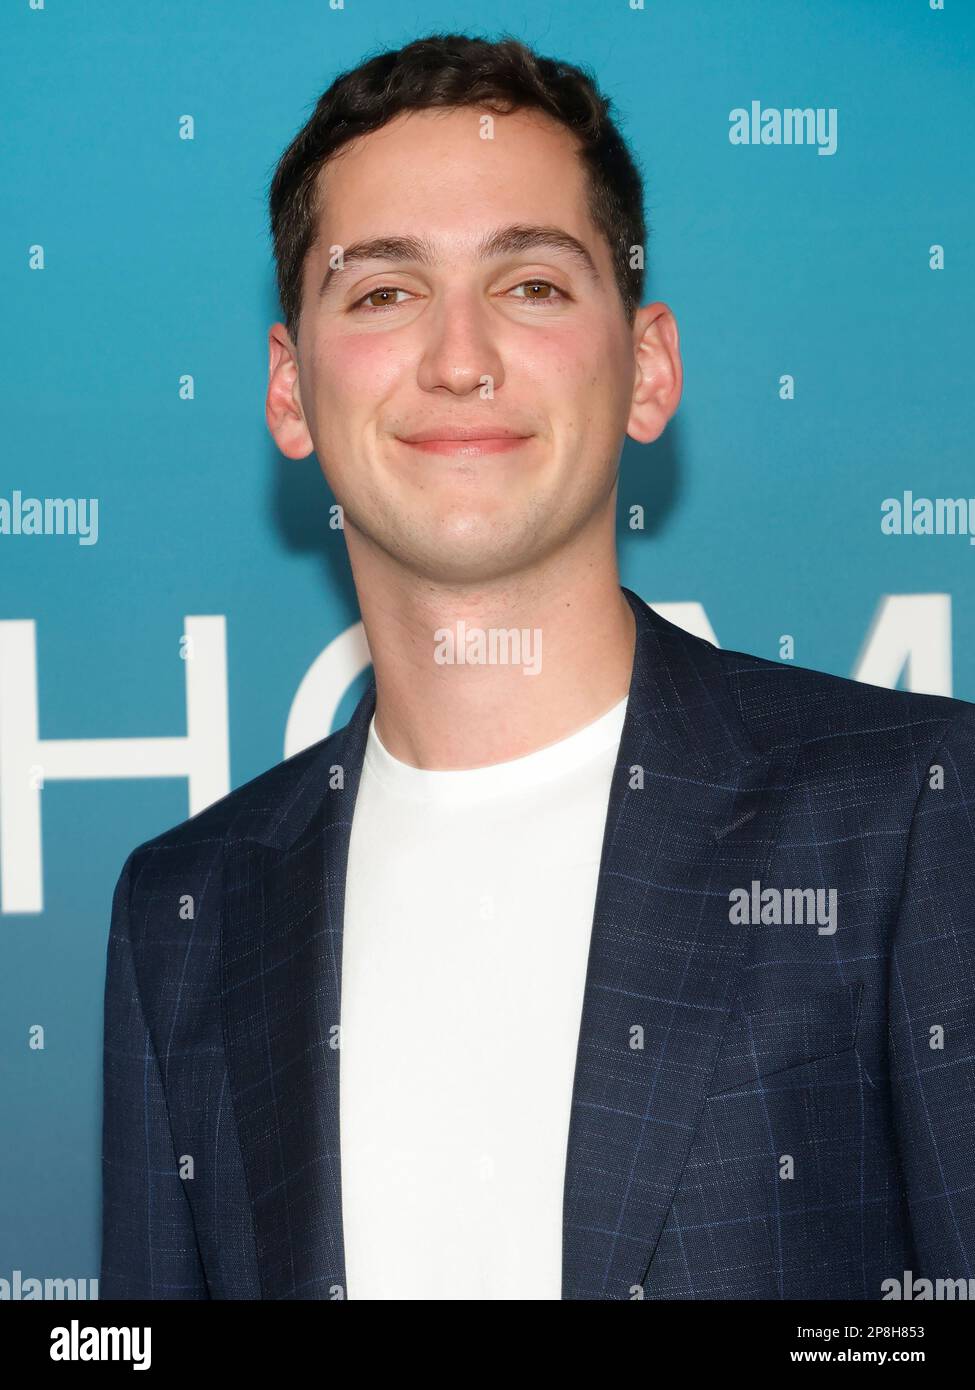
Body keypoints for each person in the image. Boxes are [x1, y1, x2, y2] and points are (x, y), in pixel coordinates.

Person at [100, 32, 975, 1301]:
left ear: (649, 365)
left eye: (532, 285)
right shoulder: (184, 913)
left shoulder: (910, 814)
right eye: (384, 291)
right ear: (290, 391)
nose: (461, 357)